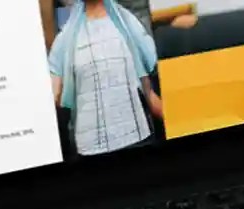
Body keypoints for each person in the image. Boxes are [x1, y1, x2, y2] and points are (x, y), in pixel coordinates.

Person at [48, 0, 163, 156]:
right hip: (89, 149)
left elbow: (149, 94)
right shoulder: (65, 40)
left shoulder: (129, 25)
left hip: (137, 139)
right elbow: (52, 96)